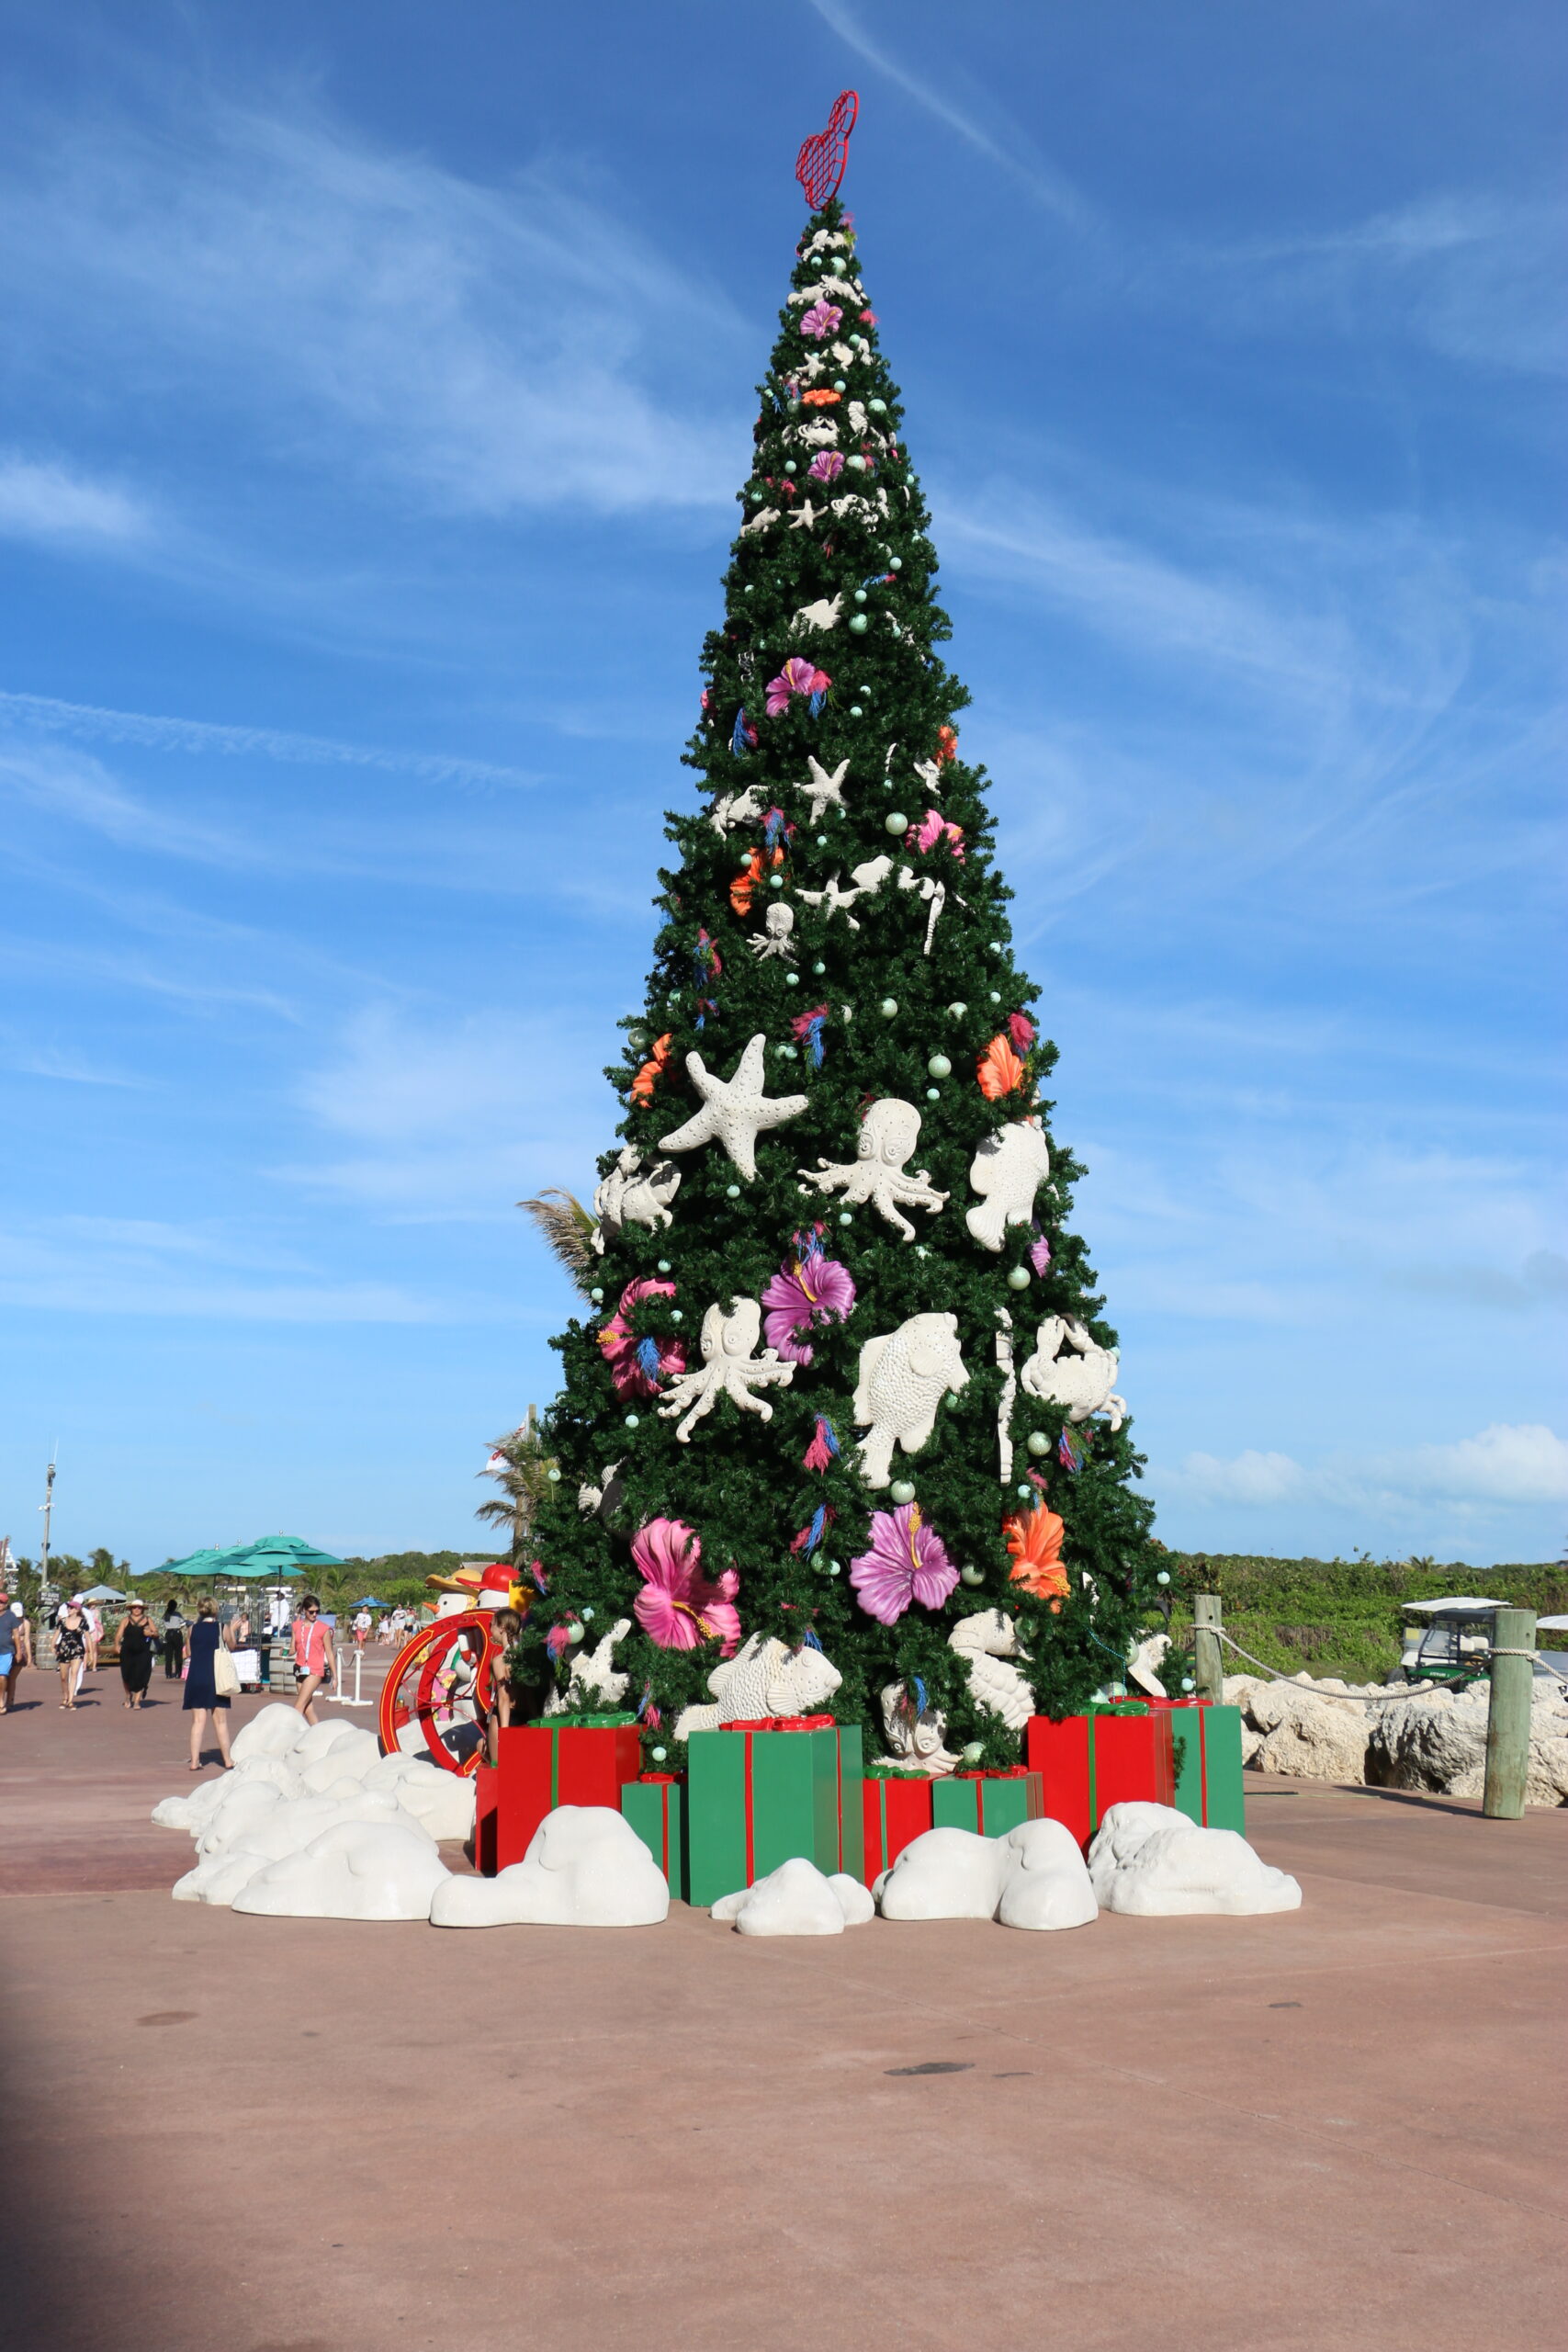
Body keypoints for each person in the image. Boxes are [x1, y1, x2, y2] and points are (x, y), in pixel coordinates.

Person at [184, 1597, 233, 1771]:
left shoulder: (192, 1629)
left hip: (196, 1676)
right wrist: (232, 1630)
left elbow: (189, 1652)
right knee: (220, 1721)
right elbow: (231, 1645)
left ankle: (194, 1761)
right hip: (216, 1677)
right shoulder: (222, 1628)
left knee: (198, 1721)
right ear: (215, 1610)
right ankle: (227, 1760)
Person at [483, 1607, 523, 1766]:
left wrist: (504, 1733)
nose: (490, 1629)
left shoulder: (501, 1659)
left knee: (498, 1764)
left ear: (501, 1628)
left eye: (491, 1625)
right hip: (524, 1715)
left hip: (504, 1717)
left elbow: (504, 1697)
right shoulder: (523, 1656)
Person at [290, 1594, 335, 1724]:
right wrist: (286, 1651)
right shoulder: (296, 1626)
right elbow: (293, 1648)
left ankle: (291, 1735)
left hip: (315, 1670)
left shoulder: (323, 1629)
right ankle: (317, 1736)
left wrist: (335, 1676)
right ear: (304, 1610)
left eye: (317, 1611)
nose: (314, 1614)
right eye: (311, 1612)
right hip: (299, 1669)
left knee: (298, 1707)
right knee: (308, 1709)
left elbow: (329, 1653)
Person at [118, 1600, 155, 1710]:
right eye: (134, 1607)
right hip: (127, 1651)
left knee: (141, 1675)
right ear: (131, 1609)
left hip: (143, 1652)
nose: (137, 1609)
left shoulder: (148, 1620)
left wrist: (151, 1633)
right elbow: (119, 1634)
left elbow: (156, 1633)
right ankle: (128, 1695)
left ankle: (137, 1701)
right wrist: (117, 1645)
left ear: (143, 1609)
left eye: (139, 1607)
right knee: (126, 1675)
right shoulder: (125, 1620)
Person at [0, 1592, 32, 1713]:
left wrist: (20, 1653)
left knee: (4, 1677)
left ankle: (5, 1702)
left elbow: (18, 1636)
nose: (0, 1604)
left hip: (7, 1651)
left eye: (2, 1602)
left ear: (6, 1604)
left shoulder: (11, 1617)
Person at [54, 1604, 87, 1710]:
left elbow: (87, 1637)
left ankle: (70, 1700)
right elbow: (56, 1634)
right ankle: (65, 1697)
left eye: (71, 1608)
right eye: (68, 1607)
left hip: (77, 1650)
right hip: (64, 1649)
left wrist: (89, 1653)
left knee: (74, 1674)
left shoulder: (83, 1622)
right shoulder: (62, 1621)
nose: (69, 1609)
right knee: (63, 1677)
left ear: (77, 1610)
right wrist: (52, 1645)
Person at [162, 1600, 187, 1679]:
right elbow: (183, 1623)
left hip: (168, 1633)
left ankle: (168, 1673)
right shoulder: (177, 1614)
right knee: (178, 1654)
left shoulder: (165, 1615)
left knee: (168, 1655)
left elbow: (163, 1624)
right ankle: (178, 1673)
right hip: (177, 1632)